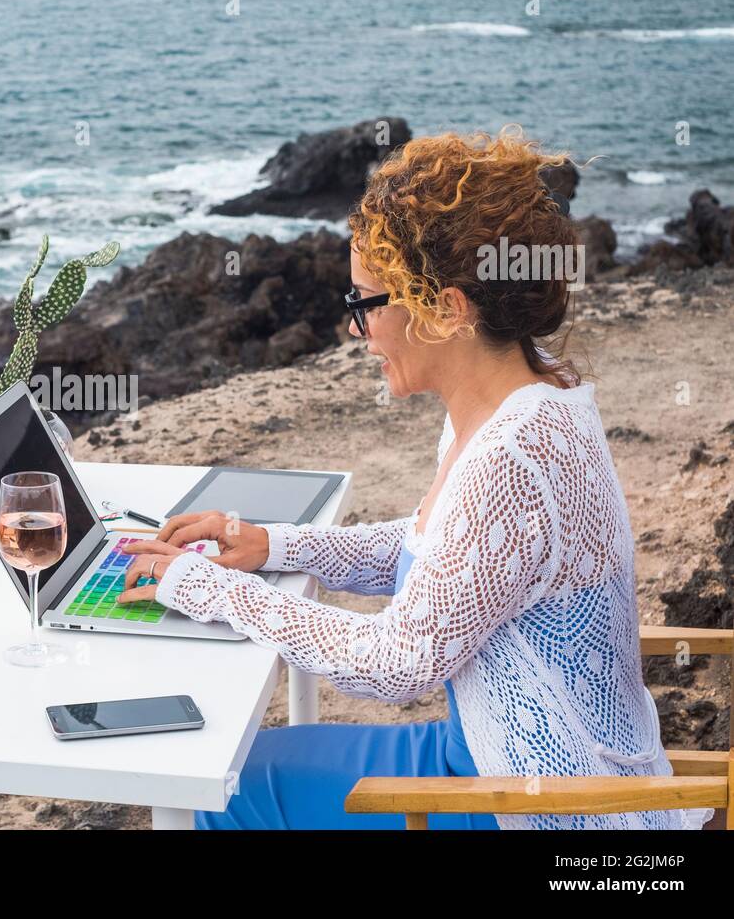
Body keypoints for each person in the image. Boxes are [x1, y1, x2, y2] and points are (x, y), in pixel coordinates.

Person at [118, 127, 712, 830]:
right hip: (507, 757)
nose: (354, 331)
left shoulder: (512, 461)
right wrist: (272, 546)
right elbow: (446, 553)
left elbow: (397, 666)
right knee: (249, 765)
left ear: (449, 308)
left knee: (220, 791)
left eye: (367, 305)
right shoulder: (519, 400)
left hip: (541, 805)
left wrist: (212, 588)